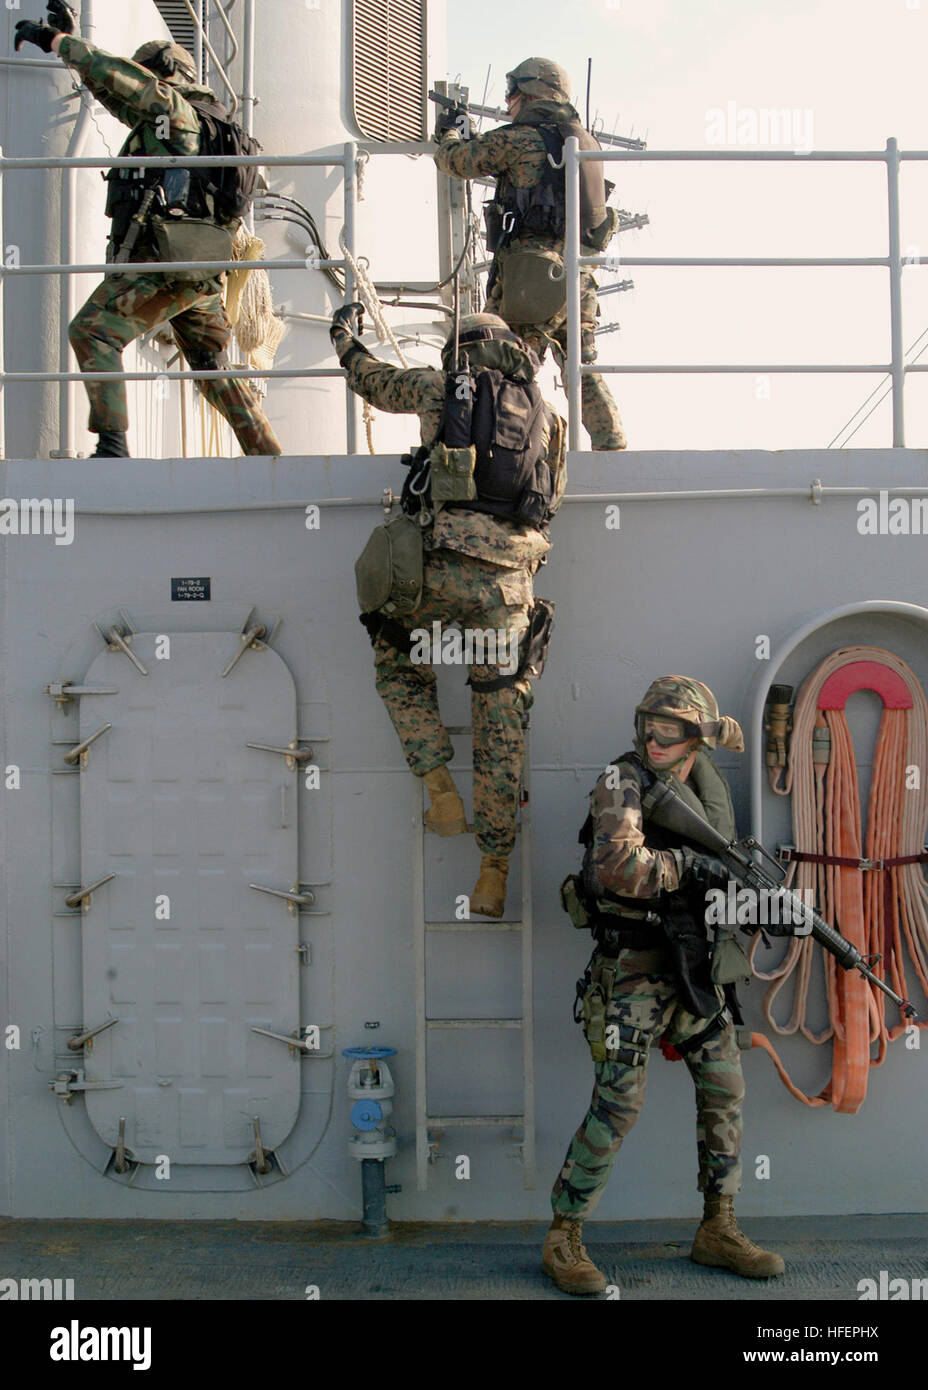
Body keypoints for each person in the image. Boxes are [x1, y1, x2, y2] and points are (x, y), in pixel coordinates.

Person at [543, 676, 785, 1294]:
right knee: (620, 1104)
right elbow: (618, 866)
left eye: (671, 728)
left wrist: (764, 907)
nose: (654, 737)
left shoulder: (704, 788)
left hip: (693, 972)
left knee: (726, 1085)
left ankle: (718, 1227)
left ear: (697, 738)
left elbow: (719, 883)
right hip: (631, 973)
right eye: (647, 723)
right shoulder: (622, 781)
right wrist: (690, 867)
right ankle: (563, 1235)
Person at [330, 305, 565, 919]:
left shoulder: (441, 388)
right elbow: (550, 500)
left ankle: (440, 792)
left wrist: (344, 339)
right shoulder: (552, 420)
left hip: (435, 575)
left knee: (399, 661)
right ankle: (492, 872)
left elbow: (373, 382)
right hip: (508, 589)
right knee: (500, 719)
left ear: (459, 351)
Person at [15, 5, 282, 458]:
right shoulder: (205, 121)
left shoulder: (172, 109)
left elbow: (122, 79)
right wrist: (73, 50)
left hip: (163, 263)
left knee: (93, 332)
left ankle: (113, 445)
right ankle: (268, 455)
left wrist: (57, 42)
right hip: (199, 266)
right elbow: (116, 94)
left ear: (161, 76)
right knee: (211, 364)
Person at [433, 57, 626, 452]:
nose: (509, 102)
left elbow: (457, 162)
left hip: (530, 276)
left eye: (513, 92)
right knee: (582, 366)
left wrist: (450, 133)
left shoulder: (520, 138)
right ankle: (611, 444)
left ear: (534, 91)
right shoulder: (584, 142)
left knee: (505, 364)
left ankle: (509, 451)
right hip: (579, 275)